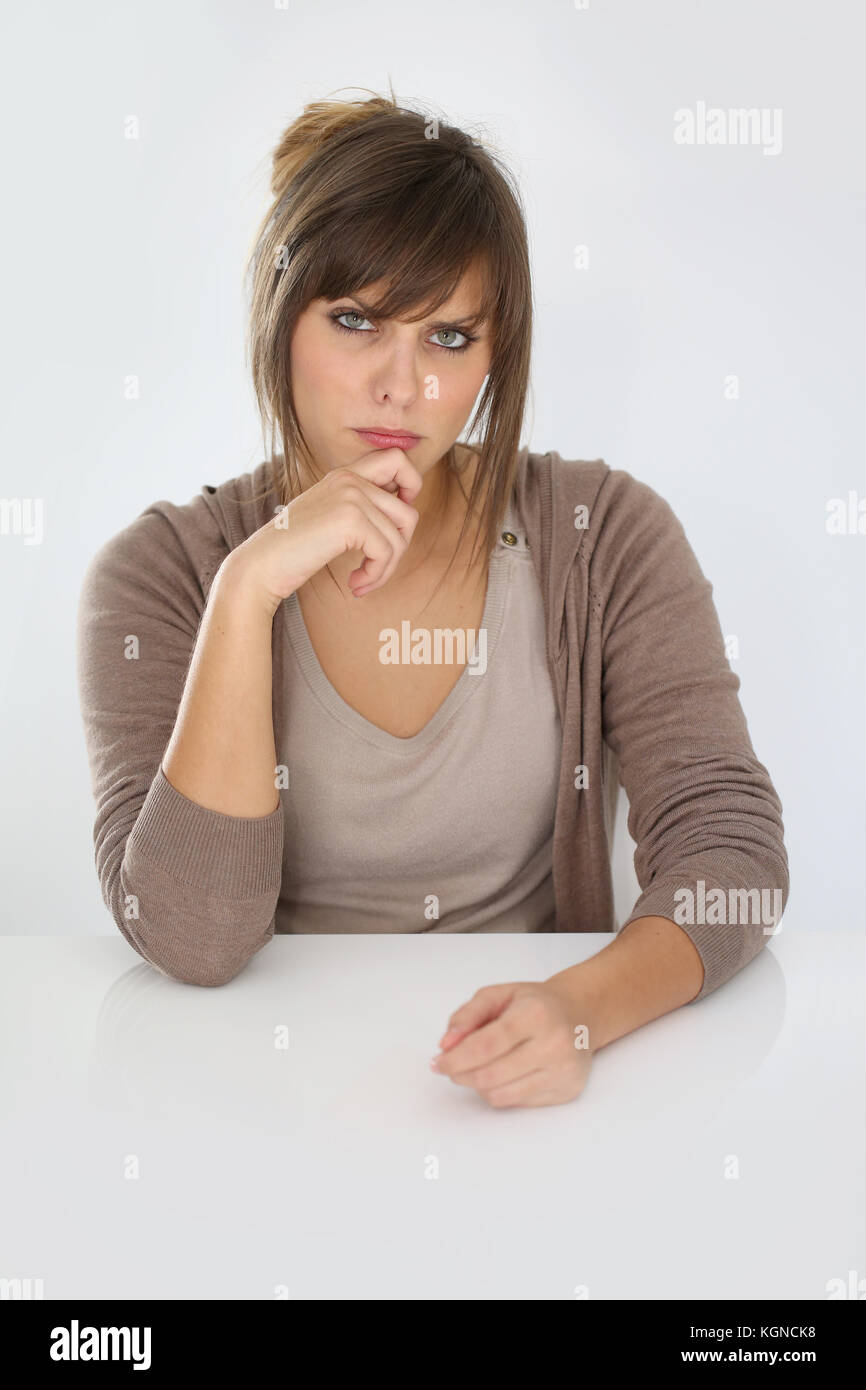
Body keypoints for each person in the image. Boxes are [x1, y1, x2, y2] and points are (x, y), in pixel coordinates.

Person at [76, 89, 789, 1110]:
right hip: (250, 1094)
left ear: (495, 354)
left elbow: (733, 857)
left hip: (518, 1091)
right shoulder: (162, 576)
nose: (398, 387)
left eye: (448, 337)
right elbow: (187, 936)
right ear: (279, 321)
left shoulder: (602, 535)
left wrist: (578, 1006)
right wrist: (246, 595)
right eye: (355, 320)